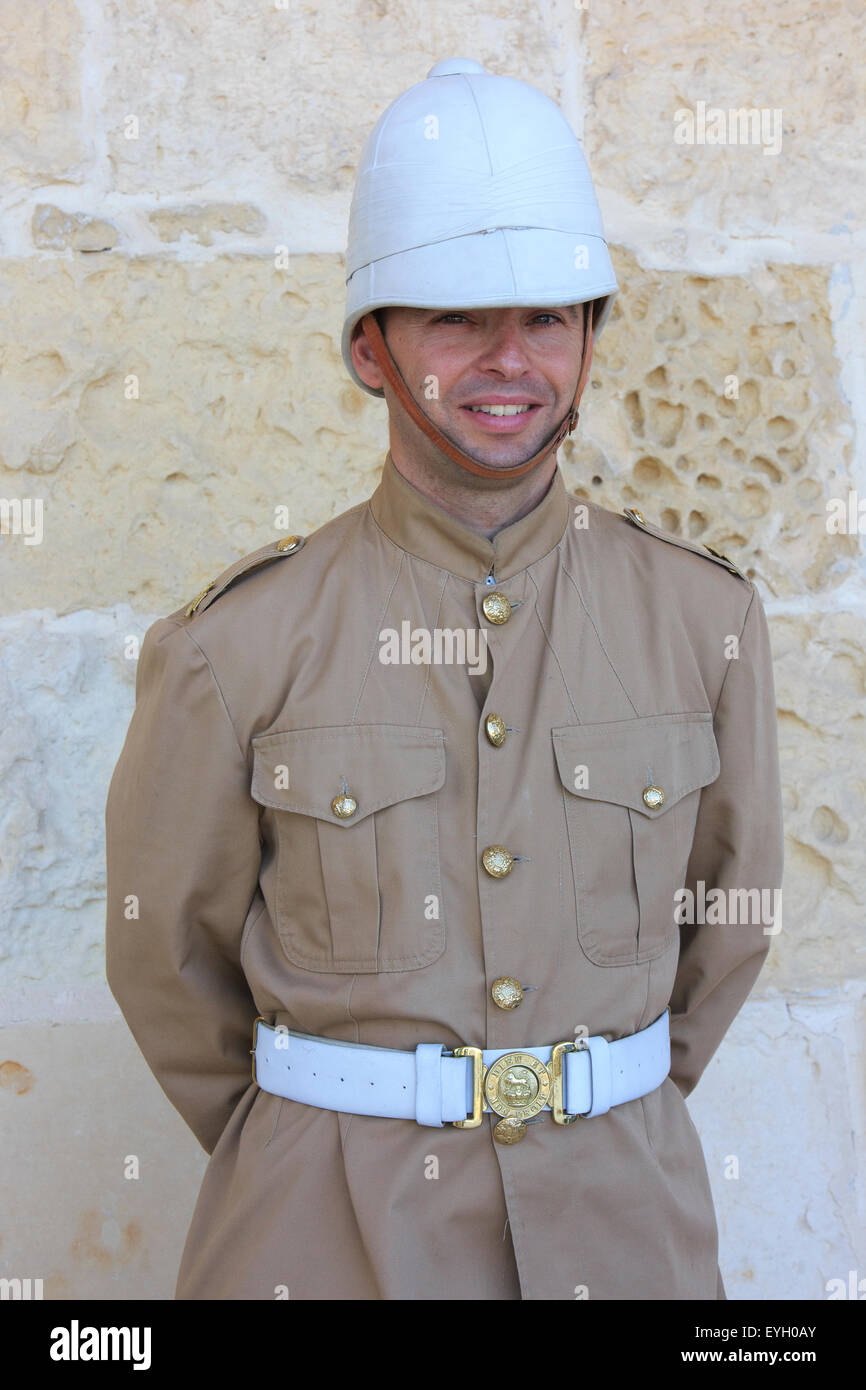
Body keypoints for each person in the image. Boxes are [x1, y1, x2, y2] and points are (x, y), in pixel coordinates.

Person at [105, 57, 784, 1301]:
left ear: (588, 339)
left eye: (545, 317)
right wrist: (322, 1133)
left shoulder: (705, 621)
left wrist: (603, 1108)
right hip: (318, 1239)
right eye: (455, 319)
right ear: (370, 351)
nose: (508, 360)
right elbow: (166, 962)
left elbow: (726, 926)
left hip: (622, 1231)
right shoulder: (232, 646)